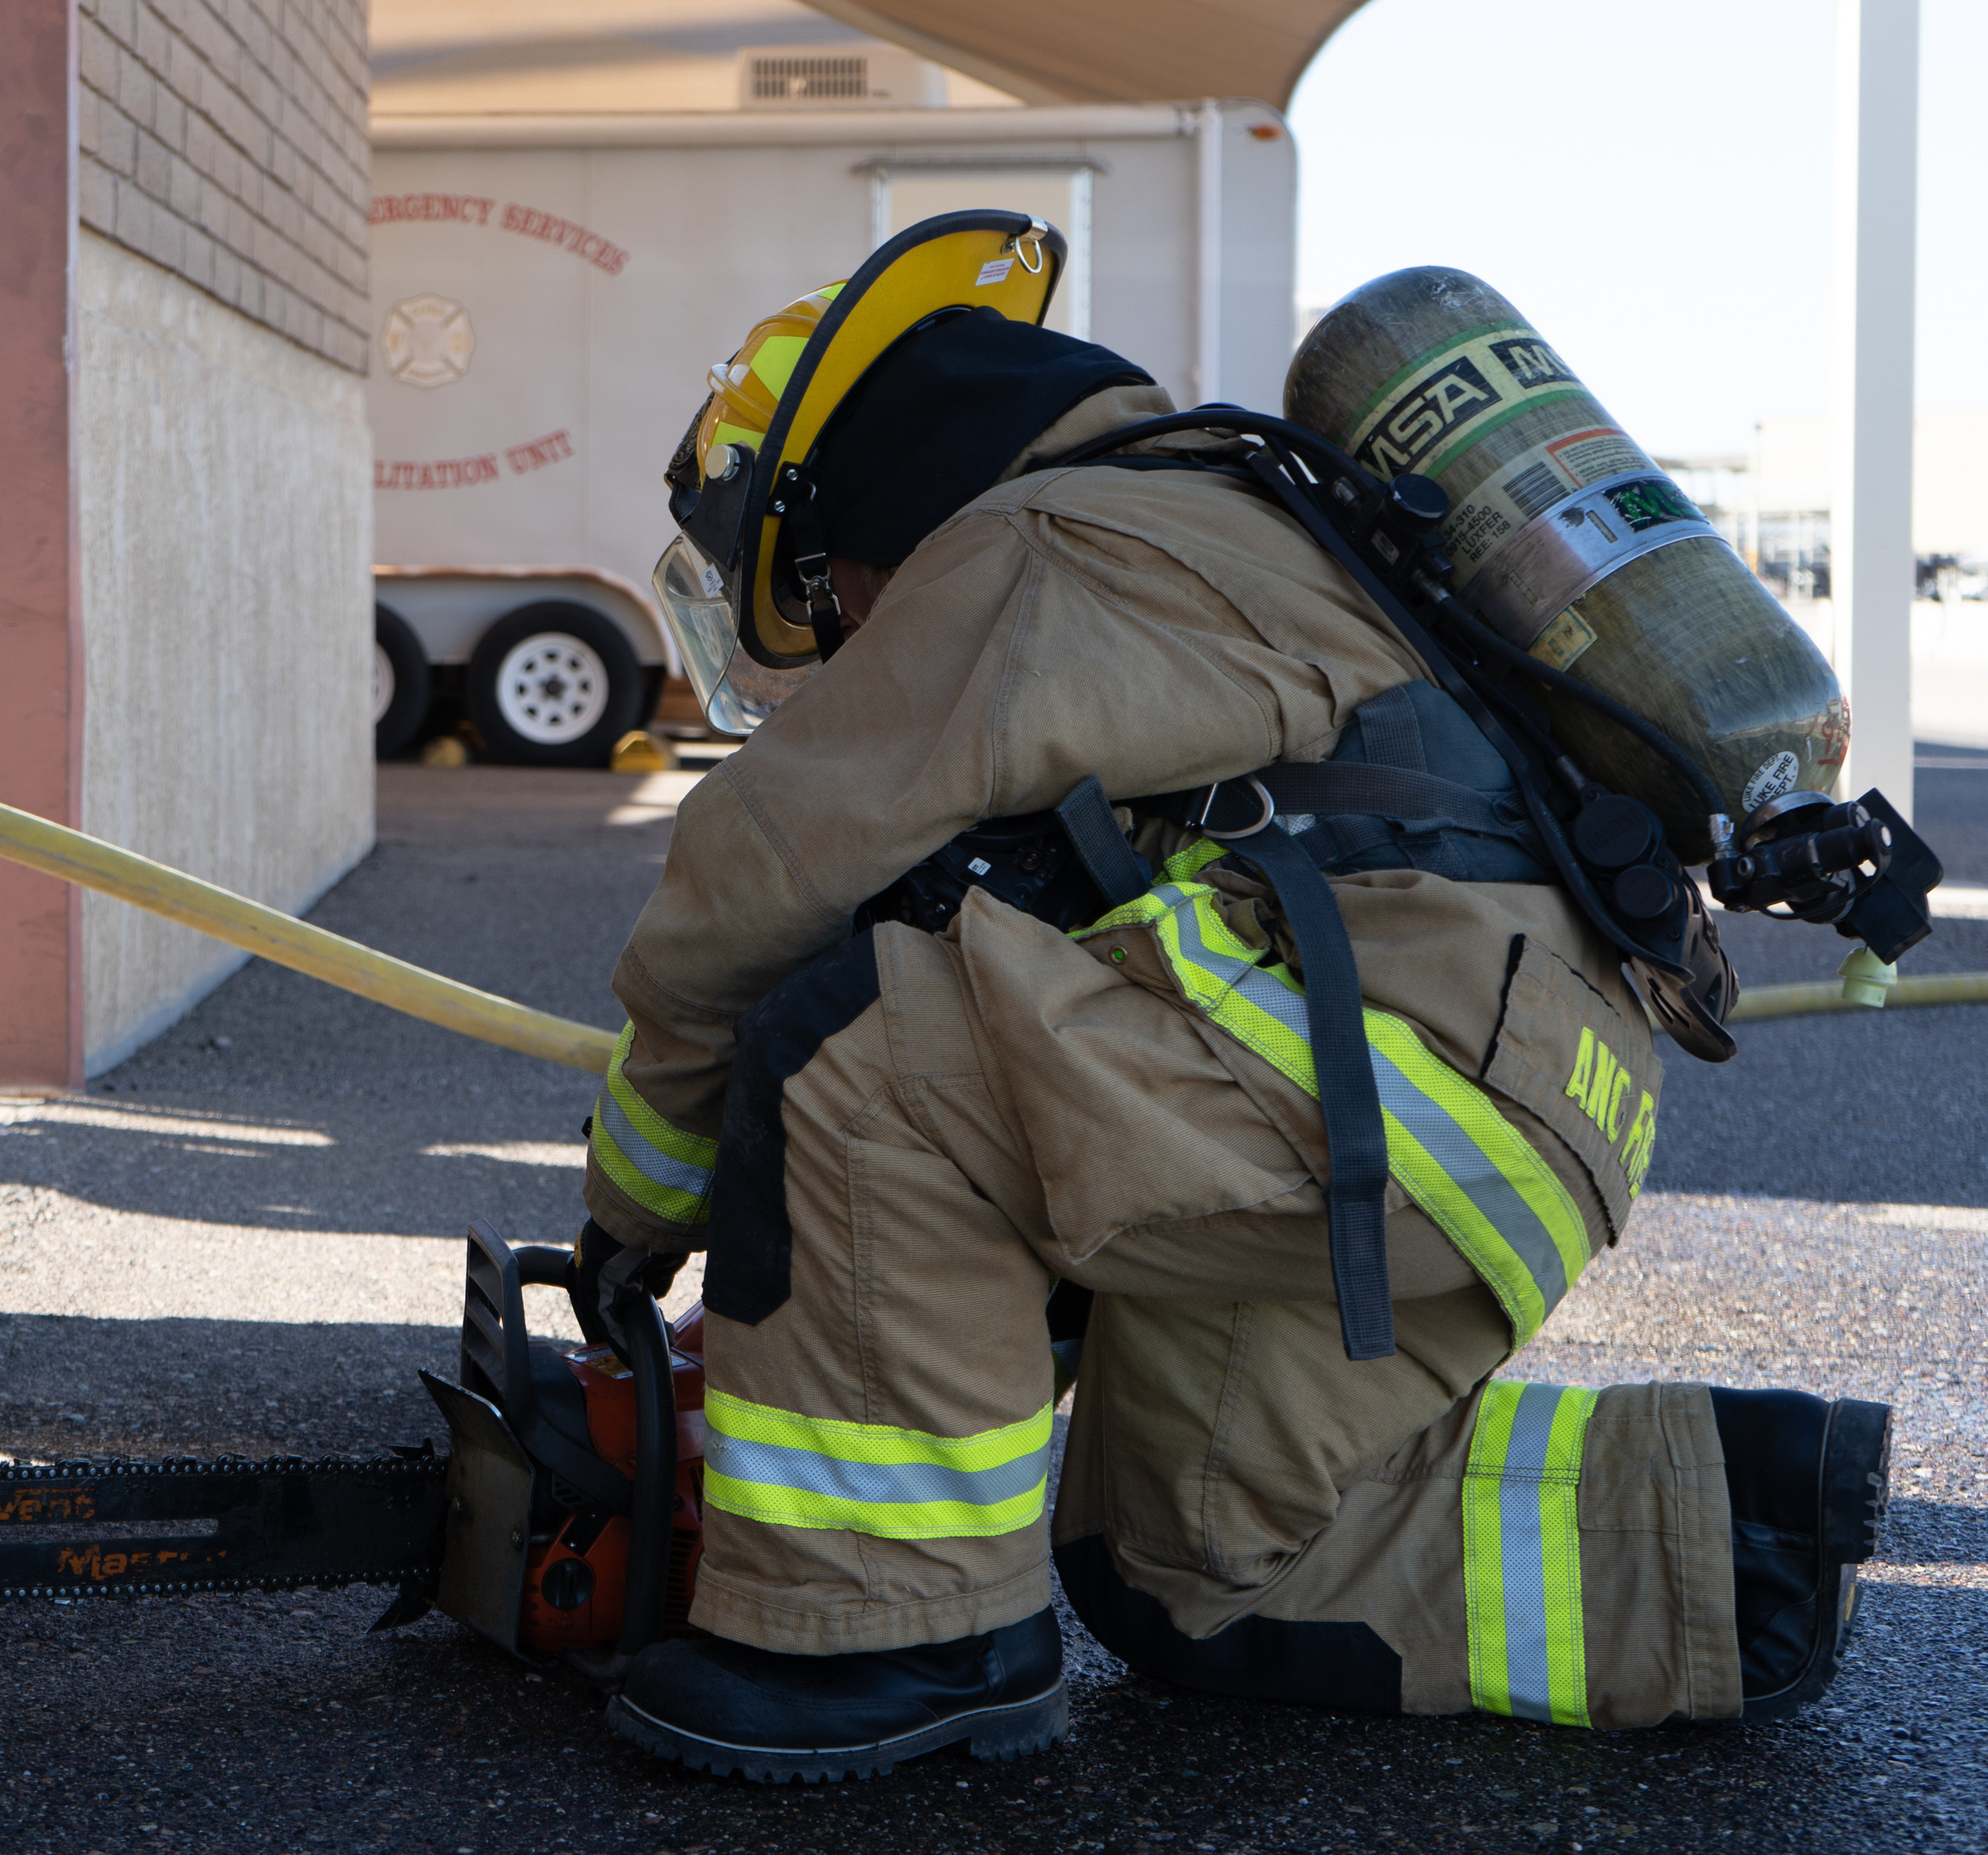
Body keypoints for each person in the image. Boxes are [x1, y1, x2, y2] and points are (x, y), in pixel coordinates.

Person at [569, 213, 1894, 1780]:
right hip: (1520, 1122)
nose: (846, 639)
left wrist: (642, 1214)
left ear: (859, 511)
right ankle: (1729, 1529)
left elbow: (763, 867)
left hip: (1388, 1086)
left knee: (866, 1037)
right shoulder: (1238, 523)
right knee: (1193, 1560)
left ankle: (891, 1640)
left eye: (824, 596)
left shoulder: (1041, 545)